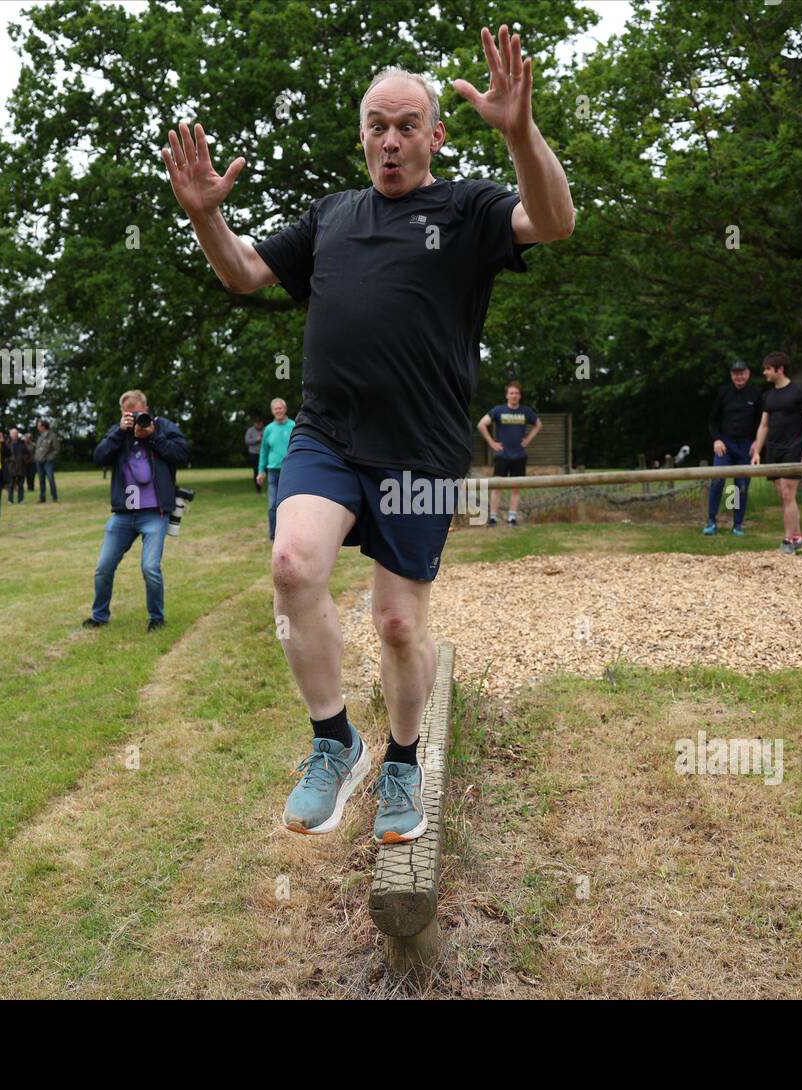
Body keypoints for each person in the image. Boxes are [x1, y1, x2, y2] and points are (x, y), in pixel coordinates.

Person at [162, 25, 574, 843]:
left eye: (407, 126)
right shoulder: (331, 217)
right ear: (362, 137)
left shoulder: (466, 209)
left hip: (419, 450)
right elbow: (242, 273)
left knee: (396, 622)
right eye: (376, 127)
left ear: (436, 134)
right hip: (327, 434)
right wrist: (208, 216)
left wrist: (521, 130)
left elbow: (554, 220)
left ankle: (403, 762)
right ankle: (335, 744)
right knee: (291, 564)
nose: (390, 141)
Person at [85, 390, 189, 631]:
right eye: (128, 414)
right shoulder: (119, 433)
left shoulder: (163, 426)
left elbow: (182, 454)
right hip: (123, 514)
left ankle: (156, 618)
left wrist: (153, 436)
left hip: (154, 513)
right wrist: (119, 432)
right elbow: (99, 457)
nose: (134, 417)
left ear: (147, 409)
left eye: (138, 412)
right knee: (103, 567)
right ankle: (99, 616)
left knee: (150, 567)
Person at [750, 352, 802, 554]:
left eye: (768, 369)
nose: (764, 372)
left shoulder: (799, 393)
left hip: (793, 448)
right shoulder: (768, 396)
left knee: (788, 494)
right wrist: (757, 452)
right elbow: (764, 426)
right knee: (783, 494)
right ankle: (797, 538)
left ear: (780, 370)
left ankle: (787, 542)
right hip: (774, 449)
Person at [704, 361, 764, 536]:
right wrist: (716, 440)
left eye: (742, 373)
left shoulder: (755, 394)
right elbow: (712, 421)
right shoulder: (723, 393)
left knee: (740, 486)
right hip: (725, 443)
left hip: (746, 444)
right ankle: (711, 520)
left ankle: (736, 523)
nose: (739, 377)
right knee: (717, 479)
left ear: (748, 374)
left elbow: (763, 422)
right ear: (731, 376)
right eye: (735, 374)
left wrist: (756, 442)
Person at [477, 380, 540, 527]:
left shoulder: (526, 411)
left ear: (520, 396)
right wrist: (492, 443)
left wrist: (528, 440)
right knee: (497, 487)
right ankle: (493, 518)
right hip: (502, 456)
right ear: (506, 395)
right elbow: (481, 424)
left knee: (516, 488)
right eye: (511, 393)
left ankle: (512, 518)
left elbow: (538, 424)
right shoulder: (498, 410)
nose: (514, 395)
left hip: (519, 456)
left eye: (517, 393)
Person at [255, 399, 294, 540]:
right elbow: (263, 452)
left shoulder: (294, 426)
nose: (278, 411)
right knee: (272, 506)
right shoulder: (269, 429)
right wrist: (260, 471)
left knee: (290, 505)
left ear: (285, 409)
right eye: (275, 409)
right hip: (273, 472)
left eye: (280, 408)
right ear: (272, 411)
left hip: (290, 472)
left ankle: (290, 535)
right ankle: (273, 537)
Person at [33, 419, 60, 502]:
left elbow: (56, 449)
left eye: (39, 426)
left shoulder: (53, 436)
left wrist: (49, 458)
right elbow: (37, 449)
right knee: (41, 480)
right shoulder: (39, 437)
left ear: (44, 427)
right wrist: (36, 458)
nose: (37, 428)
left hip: (48, 462)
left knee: (50, 479)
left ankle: (54, 497)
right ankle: (42, 498)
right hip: (39, 462)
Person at [4, 428, 29, 504]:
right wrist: (8, 460)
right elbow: (4, 455)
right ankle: (10, 500)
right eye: (13, 434)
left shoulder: (22, 443)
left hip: (21, 467)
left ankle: (21, 500)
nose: (14, 435)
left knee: (21, 485)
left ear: (17, 434)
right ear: (10, 435)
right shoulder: (7, 444)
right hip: (11, 468)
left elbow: (28, 454)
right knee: (11, 485)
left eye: (16, 434)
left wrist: (23, 459)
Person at [244, 415, 264, 493]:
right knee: (256, 471)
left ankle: (272, 488)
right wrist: (256, 440)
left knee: (269, 471)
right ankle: (258, 489)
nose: (259, 424)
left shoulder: (266, 429)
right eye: (257, 423)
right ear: (254, 423)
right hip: (254, 454)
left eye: (260, 423)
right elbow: (247, 441)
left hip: (264, 454)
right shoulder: (250, 430)